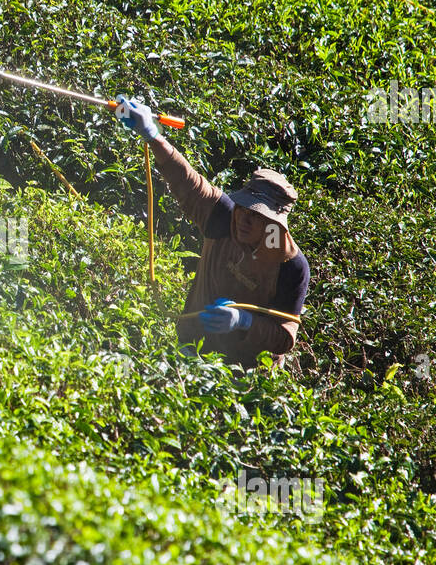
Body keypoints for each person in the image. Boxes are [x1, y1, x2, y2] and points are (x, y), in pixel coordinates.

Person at [115, 96, 310, 369]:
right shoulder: (223, 217)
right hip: (192, 349)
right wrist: (152, 135)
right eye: (244, 209)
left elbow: (284, 337)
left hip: (246, 373)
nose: (244, 219)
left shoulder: (291, 267)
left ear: (273, 226)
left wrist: (243, 321)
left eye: (257, 216)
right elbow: (187, 181)